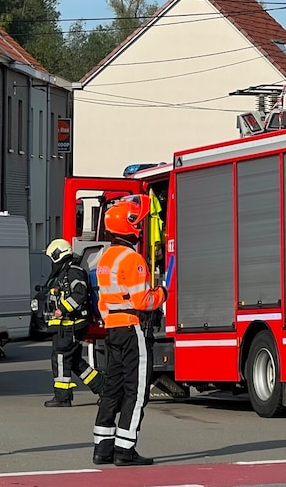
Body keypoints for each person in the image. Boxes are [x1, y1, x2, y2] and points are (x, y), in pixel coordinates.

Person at [91, 194, 167, 467]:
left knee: (112, 388)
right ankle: (125, 450)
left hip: (111, 329)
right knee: (136, 391)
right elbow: (142, 300)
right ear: (130, 226)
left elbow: (102, 299)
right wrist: (162, 293)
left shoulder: (104, 257)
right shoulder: (132, 259)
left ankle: (103, 448)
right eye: (140, 223)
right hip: (131, 328)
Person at [42, 238, 104, 407]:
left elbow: (79, 293)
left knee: (60, 357)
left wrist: (62, 308)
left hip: (70, 325)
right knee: (75, 362)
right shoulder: (65, 272)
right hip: (67, 325)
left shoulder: (73, 271)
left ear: (57, 255)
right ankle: (104, 389)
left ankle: (62, 397)